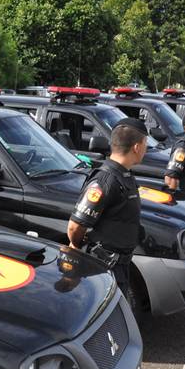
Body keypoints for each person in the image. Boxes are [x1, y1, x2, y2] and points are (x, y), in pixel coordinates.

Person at [67, 117, 146, 302]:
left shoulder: (124, 175)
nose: (146, 149)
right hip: (103, 266)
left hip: (119, 265)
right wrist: (78, 247)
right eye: (145, 144)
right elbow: (75, 226)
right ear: (136, 147)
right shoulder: (105, 180)